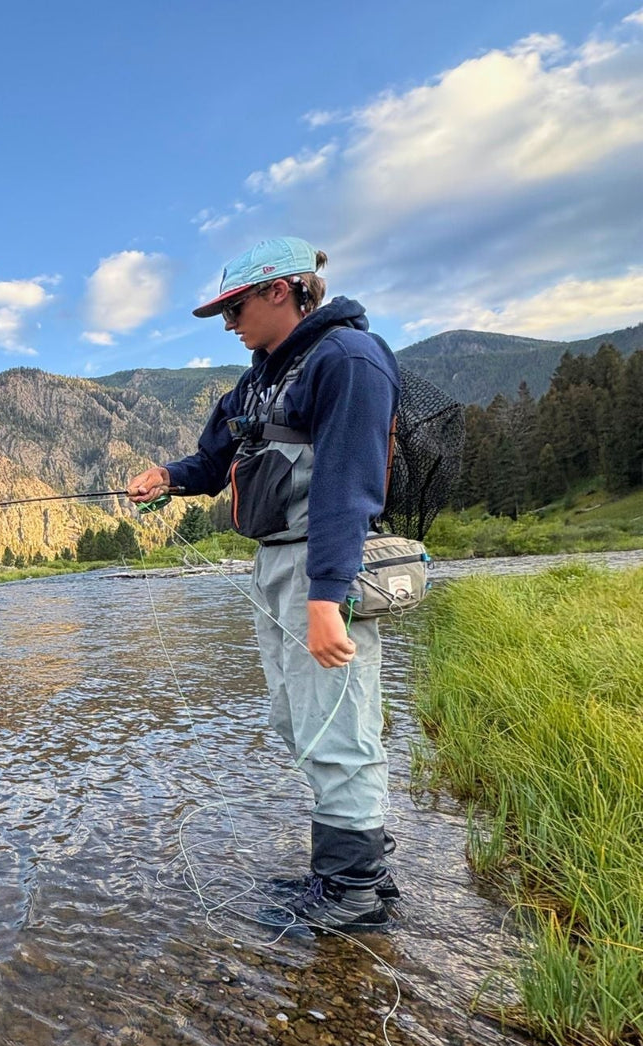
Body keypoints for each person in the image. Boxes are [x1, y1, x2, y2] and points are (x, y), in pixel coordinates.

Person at [127, 237, 401, 931]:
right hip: (274, 566)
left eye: (235, 307)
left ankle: (356, 891)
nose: (228, 324)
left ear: (281, 290)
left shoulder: (347, 360)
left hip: (323, 563)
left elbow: (349, 485)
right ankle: (342, 868)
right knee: (298, 720)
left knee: (337, 726)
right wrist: (168, 476)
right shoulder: (255, 382)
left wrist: (327, 597)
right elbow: (214, 461)